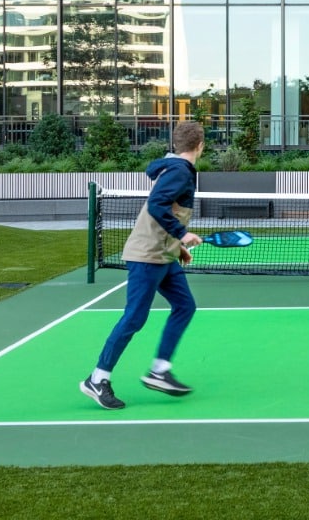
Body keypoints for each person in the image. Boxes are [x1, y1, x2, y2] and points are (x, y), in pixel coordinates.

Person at [80, 121, 205, 410]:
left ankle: (159, 371)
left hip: (164, 254)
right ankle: (97, 379)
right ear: (200, 146)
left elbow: (164, 209)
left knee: (185, 306)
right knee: (134, 317)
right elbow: (157, 205)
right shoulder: (179, 171)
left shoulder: (172, 168)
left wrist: (178, 246)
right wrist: (182, 233)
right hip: (147, 256)